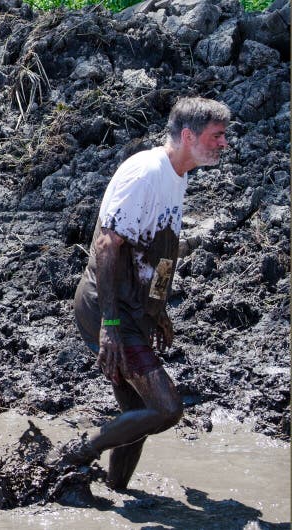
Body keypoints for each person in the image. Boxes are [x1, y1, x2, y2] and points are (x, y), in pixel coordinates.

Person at [69, 97, 231, 489]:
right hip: (108, 309)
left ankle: (115, 491)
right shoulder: (145, 171)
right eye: (216, 136)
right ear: (188, 135)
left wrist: (157, 308)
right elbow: (107, 246)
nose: (223, 144)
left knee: (138, 414)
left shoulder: (177, 175)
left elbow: (161, 247)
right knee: (167, 408)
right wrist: (109, 325)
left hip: (134, 311)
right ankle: (78, 453)